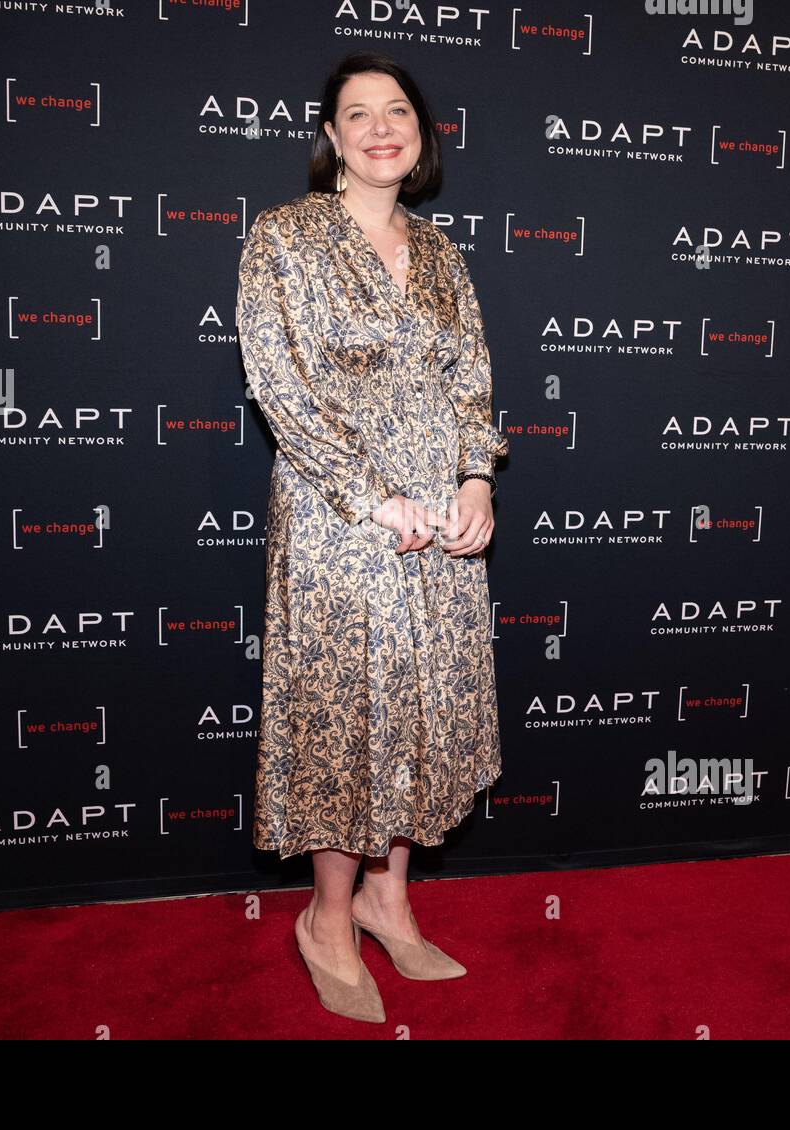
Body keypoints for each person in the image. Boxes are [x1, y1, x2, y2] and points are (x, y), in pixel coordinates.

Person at [235, 51, 509, 1024]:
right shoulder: (285, 237)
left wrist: (476, 477)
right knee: (346, 713)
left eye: (399, 111)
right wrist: (371, 494)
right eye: (359, 114)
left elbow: (470, 376)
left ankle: (393, 898)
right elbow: (278, 380)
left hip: (439, 522)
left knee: (425, 708)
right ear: (333, 137)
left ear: (422, 137)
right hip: (339, 519)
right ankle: (327, 916)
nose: (381, 127)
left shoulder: (440, 252)